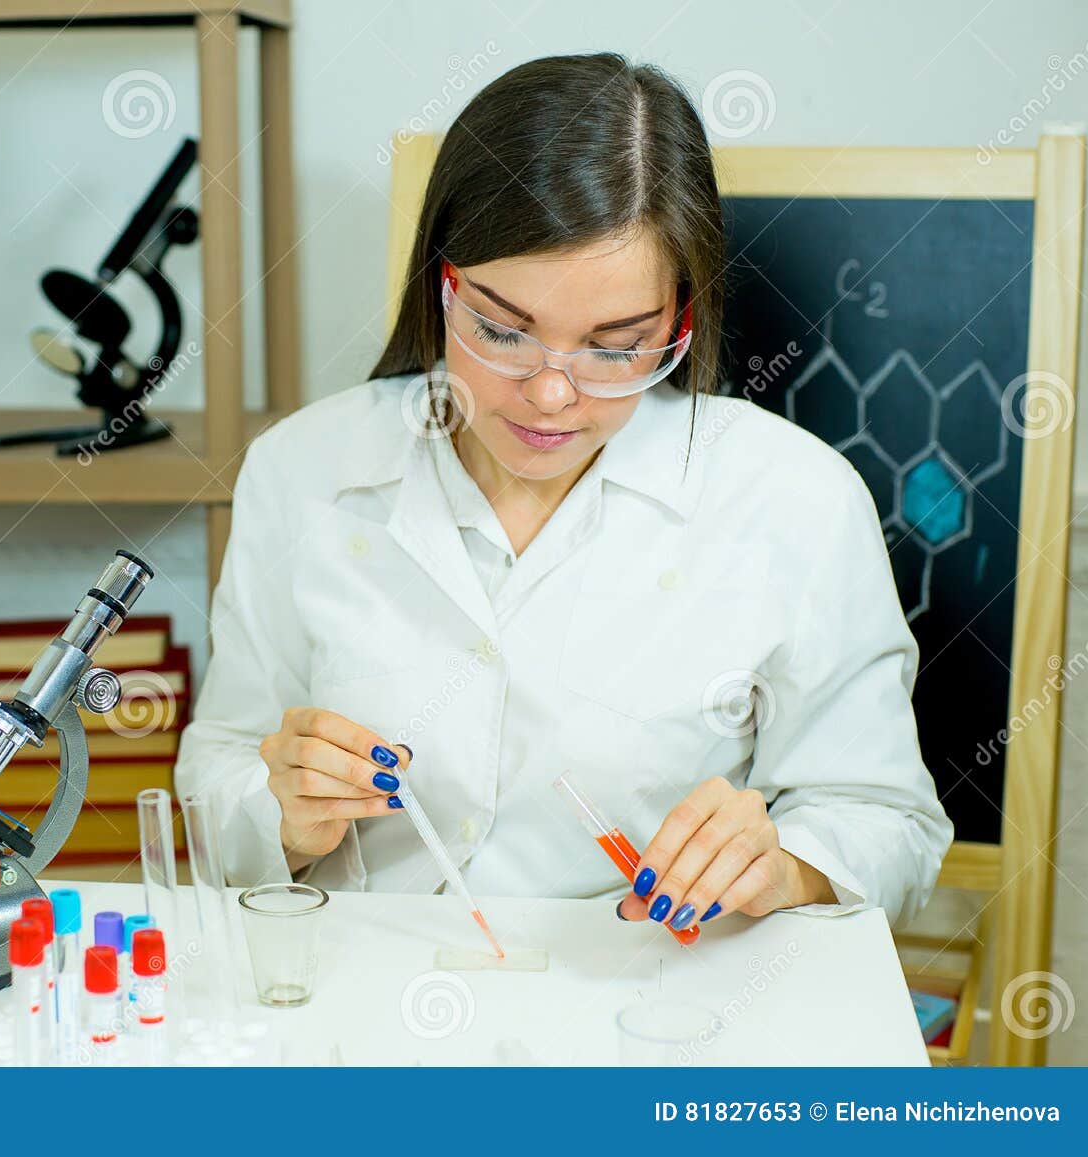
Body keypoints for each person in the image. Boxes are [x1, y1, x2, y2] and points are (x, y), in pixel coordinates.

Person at [173, 53, 951, 930]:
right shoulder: (303, 470)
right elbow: (215, 778)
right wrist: (279, 814)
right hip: (360, 991)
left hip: (653, 992)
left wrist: (786, 868)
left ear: (680, 321)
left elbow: (890, 824)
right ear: (441, 282)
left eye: (615, 347)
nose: (550, 394)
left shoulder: (795, 500)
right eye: (503, 330)